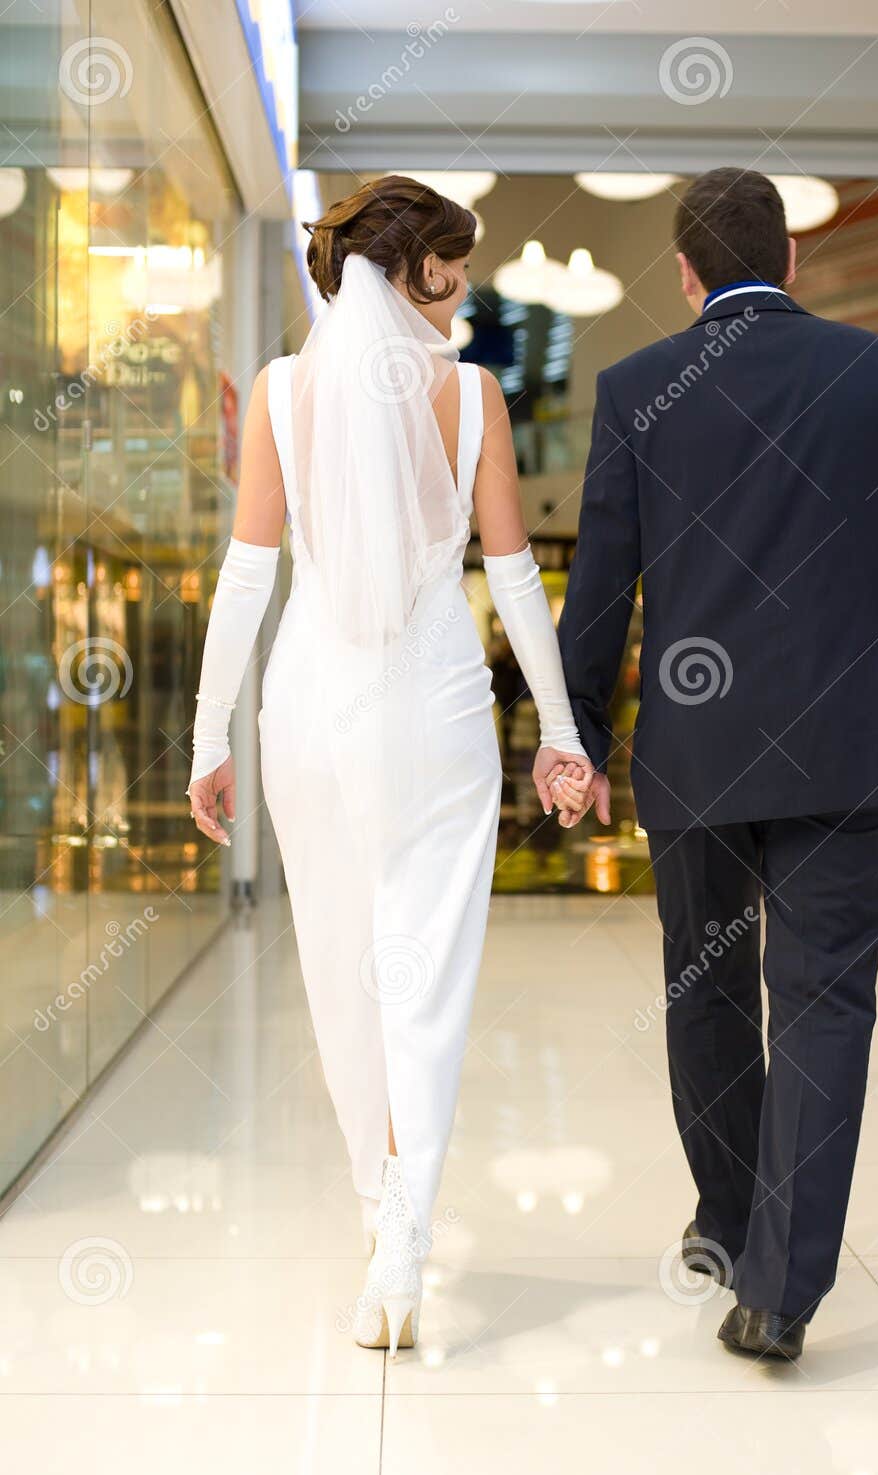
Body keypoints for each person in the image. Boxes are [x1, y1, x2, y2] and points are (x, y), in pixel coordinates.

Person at [555, 168, 878, 1363]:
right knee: (825, 1003)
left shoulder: (637, 388)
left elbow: (602, 589)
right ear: (793, 263)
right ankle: (780, 1291)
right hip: (848, 750)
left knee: (708, 989)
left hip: (696, 754)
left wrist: (575, 733)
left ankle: (730, 1223)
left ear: (684, 274)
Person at [187, 177, 592, 1355]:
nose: (463, 292)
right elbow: (513, 578)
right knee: (429, 976)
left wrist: (211, 735)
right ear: (416, 271)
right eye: (454, 269)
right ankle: (405, 1234)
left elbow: (247, 578)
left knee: (340, 966)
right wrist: (559, 732)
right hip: (438, 713)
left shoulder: (280, 391)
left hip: (311, 713)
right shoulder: (470, 398)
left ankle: (383, 1221)